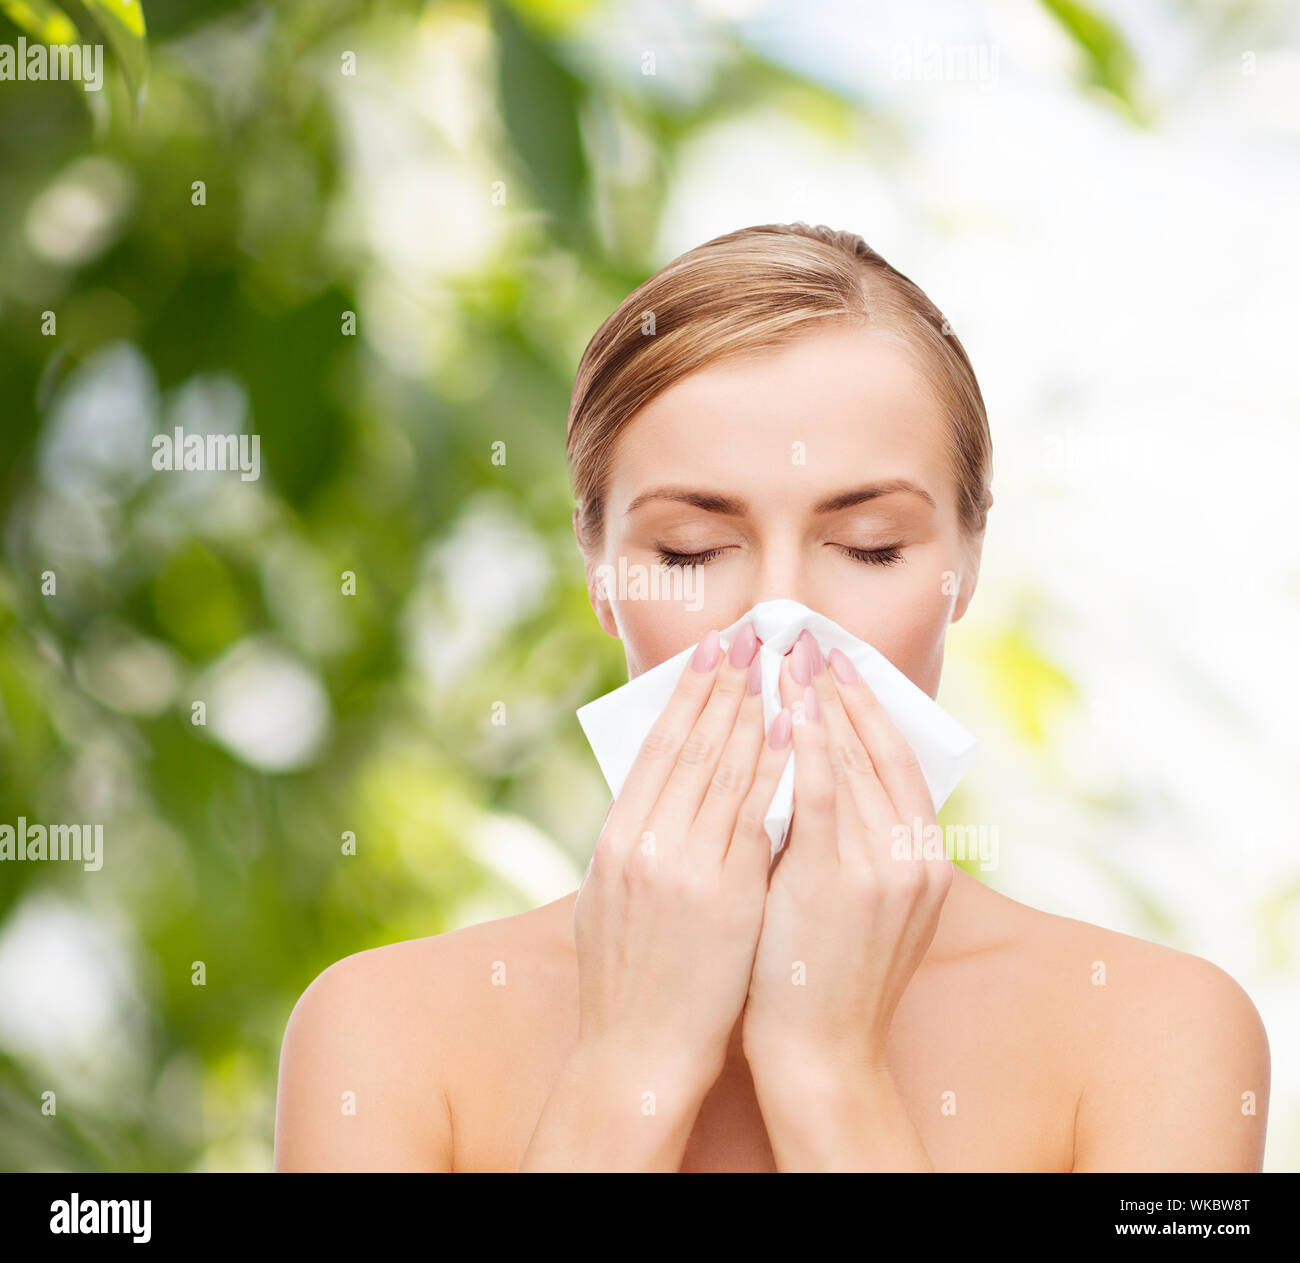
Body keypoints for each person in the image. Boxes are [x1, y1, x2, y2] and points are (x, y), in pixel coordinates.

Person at [274, 223, 1270, 1171]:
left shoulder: (1161, 1037)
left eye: (870, 546)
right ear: (603, 576)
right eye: (690, 551)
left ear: (964, 564)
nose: (779, 621)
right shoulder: (382, 1035)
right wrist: (630, 1070)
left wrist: (829, 1076)